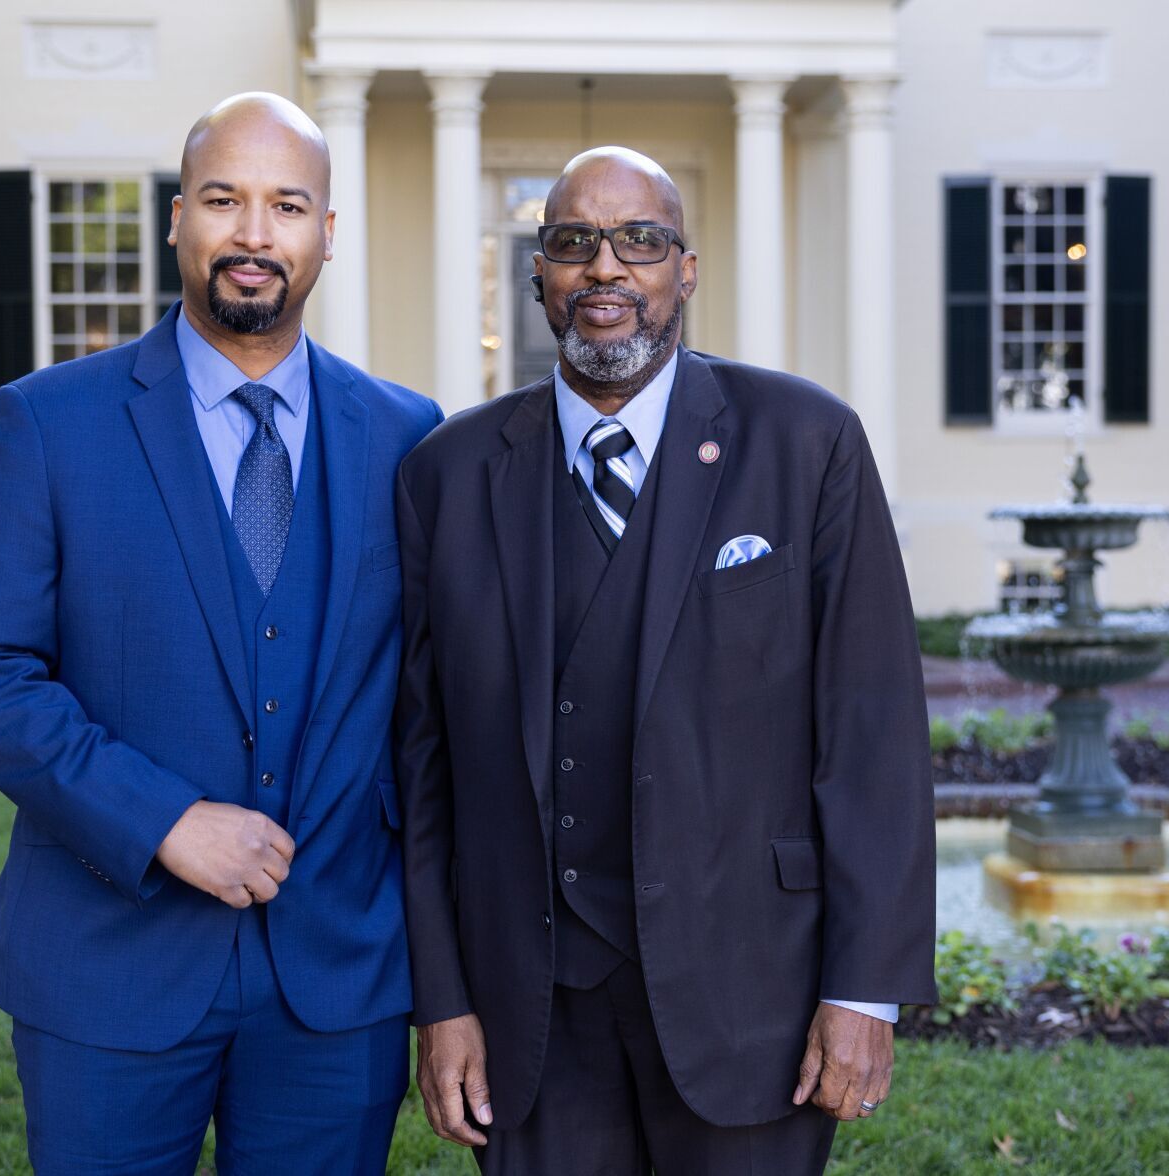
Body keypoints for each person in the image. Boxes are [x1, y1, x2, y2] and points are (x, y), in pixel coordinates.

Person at [0, 93, 440, 1174]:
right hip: (107, 967)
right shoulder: (50, 421)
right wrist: (163, 820)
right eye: (224, 199)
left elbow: (435, 697)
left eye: (287, 205)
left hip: (333, 980)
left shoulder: (407, 437)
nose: (254, 234)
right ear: (175, 220)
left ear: (326, 234)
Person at [395, 146, 937, 1174]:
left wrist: (862, 990)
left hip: (753, 997)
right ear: (539, 277)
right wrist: (444, 1001)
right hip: (528, 1008)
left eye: (638, 240)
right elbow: (422, 771)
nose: (605, 268)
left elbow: (870, 729)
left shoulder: (804, 441)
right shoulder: (446, 476)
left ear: (683, 270)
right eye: (571, 244)